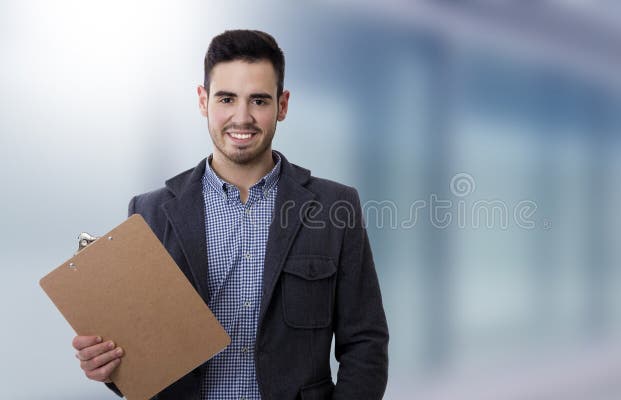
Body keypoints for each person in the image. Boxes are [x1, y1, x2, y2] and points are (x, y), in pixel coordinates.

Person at [70, 29, 389, 400]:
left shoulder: (336, 207)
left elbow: (366, 342)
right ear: (203, 100)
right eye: (226, 98)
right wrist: (108, 367)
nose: (242, 117)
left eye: (259, 100)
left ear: (282, 105)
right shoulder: (150, 212)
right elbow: (139, 349)